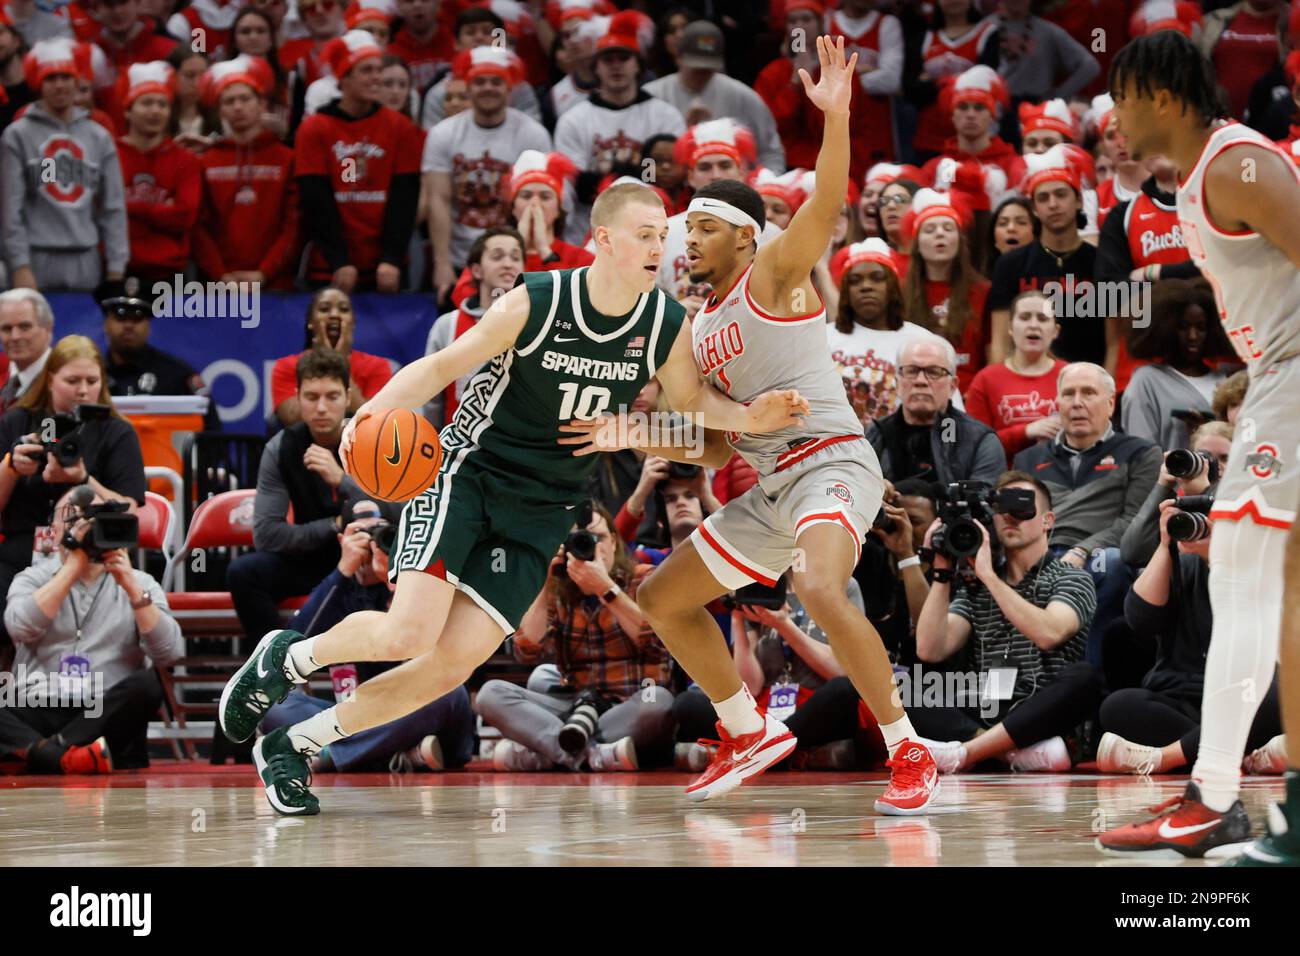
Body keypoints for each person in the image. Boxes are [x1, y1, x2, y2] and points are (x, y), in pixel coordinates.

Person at [219, 179, 805, 816]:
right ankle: (288, 654)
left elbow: (697, 416)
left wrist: (738, 418)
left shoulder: (664, 322)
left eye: (662, 237)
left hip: (544, 508)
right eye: (645, 234)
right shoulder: (540, 300)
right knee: (408, 632)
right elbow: (444, 365)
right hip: (469, 474)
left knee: (448, 669)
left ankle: (295, 743)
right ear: (603, 239)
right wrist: (373, 412)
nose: (658, 248)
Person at [576, 37, 944, 814]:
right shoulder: (694, 328)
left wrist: (836, 120)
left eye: (701, 229)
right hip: (774, 486)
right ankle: (746, 729)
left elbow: (828, 205)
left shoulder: (773, 274)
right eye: (686, 233)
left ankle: (908, 747)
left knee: (818, 583)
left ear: (744, 237)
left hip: (834, 463)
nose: (687, 241)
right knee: (662, 595)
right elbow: (711, 444)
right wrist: (630, 435)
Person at [1099, 31, 1300, 863]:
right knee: (1279, 597)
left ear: (1165, 95)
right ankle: (1274, 816)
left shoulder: (1236, 164)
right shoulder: (1194, 179)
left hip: (1293, 377)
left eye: (1121, 99)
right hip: (1277, 376)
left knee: (1243, 577)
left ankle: (1213, 797)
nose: (1110, 119)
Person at [259, 497, 476, 773]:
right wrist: (342, 570)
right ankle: (394, 756)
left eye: (379, 532)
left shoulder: (416, 580)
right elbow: (291, 644)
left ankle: (335, 754)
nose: (371, 541)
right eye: (360, 534)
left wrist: (393, 580)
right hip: (354, 714)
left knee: (451, 692)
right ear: (342, 540)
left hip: (415, 710)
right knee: (276, 704)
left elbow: (435, 657)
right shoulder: (335, 588)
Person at [913, 471, 1100, 773]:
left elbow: (1050, 633)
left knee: (1085, 678)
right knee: (898, 684)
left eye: (1023, 507)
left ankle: (965, 753)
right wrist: (942, 573)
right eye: (1002, 509)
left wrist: (988, 575)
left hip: (1041, 710)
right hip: (985, 703)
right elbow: (930, 650)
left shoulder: (1070, 576)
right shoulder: (975, 587)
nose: (1011, 517)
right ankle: (1003, 751)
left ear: (1047, 521)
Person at [477, 501, 675, 772]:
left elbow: (660, 642)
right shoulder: (559, 589)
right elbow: (526, 650)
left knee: (659, 700)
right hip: (573, 705)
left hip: (627, 705)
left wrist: (606, 590)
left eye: (598, 538)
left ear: (615, 543)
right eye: (579, 540)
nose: (591, 547)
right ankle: (591, 755)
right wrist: (545, 579)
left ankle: (549, 756)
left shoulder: (643, 578)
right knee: (491, 694)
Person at [1098, 497, 1284, 782]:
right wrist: (1165, 546)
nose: (1198, 528)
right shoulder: (1179, 565)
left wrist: (1219, 557)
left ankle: (1165, 758)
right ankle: (1245, 755)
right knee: (1118, 706)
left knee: (1278, 693)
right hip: (1187, 701)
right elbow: (1139, 620)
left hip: (1246, 698)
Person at [0, 485, 181, 774]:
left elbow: (169, 653)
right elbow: (19, 629)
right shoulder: (31, 578)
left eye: (94, 522)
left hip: (103, 708)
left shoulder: (141, 583)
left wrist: (132, 591)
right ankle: (68, 757)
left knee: (147, 685)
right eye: (74, 521)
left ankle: (47, 752)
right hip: (40, 703)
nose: (86, 531)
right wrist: (72, 569)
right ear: (55, 530)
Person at [0, 335, 146, 654]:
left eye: (92, 381)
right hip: (24, 547)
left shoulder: (117, 431)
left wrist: (83, 479)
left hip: (94, 550)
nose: (83, 390)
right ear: (50, 379)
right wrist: (12, 466)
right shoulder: (18, 421)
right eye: (72, 380)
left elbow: (130, 509)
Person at [1011, 362, 1160, 662]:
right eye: (1068, 394)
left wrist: (1083, 549)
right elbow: (1018, 519)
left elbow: (1135, 523)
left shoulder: (1141, 453)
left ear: (1110, 402)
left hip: (1097, 556)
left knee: (1113, 561)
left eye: (1088, 393)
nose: (1077, 402)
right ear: (1058, 403)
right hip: (1040, 553)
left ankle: (1092, 669)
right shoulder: (1027, 459)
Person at [228, 349, 356, 649]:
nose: (322, 407)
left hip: (368, 560)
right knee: (244, 573)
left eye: (332, 396)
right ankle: (276, 671)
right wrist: (335, 525)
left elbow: (397, 512)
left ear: (348, 397)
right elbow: (268, 536)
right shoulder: (281, 448)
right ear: (297, 397)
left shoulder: (372, 439)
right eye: (312, 397)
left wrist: (342, 480)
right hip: (312, 560)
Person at [294, 30, 422, 292]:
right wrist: (339, 260)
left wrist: (392, 258)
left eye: (378, 69)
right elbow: (315, 200)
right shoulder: (314, 128)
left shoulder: (401, 127)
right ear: (344, 77)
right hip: (330, 265)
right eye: (366, 70)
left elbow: (404, 198)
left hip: (387, 268)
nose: (377, 77)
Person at [423, 45, 550, 300]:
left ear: (509, 88)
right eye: (480, 82)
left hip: (515, 259)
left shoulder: (532, 133)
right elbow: (438, 200)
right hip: (461, 258)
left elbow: (542, 201)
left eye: (496, 81)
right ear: (468, 87)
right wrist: (442, 263)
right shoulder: (443, 134)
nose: (488, 88)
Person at [1, 39, 128, 292]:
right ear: (38, 83)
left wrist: (116, 266)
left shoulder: (99, 136)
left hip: (86, 257)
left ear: (76, 80)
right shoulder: (17, 135)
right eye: (50, 78)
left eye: (65, 77)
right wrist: (20, 265)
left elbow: (113, 207)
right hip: (36, 256)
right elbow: (9, 209)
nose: (59, 85)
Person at [553, 15, 685, 245]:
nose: (616, 66)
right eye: (607, 59)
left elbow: (665, 179)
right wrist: (635, 170)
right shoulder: (573, 120)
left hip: (655, 232)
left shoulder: (665, 115)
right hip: (589, 235)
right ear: (596, 66)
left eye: (623, 58)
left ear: (638, 65)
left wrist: (607, 175)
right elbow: (579, 187)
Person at [987, 144, 1108, 369]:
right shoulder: (1010, 264)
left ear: (1079, 200)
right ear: (1033, 207)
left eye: (1061, 195)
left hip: (1089, 382)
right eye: (1043, 198)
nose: (1053, 204)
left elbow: (1114, 343)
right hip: (1027, 387)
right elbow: (1000, 341)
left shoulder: (1102, 262)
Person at [191, 54, 299, 289]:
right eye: (229, 101)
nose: (238, 107)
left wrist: (264, 273)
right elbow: (199, 227)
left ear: (262, 104)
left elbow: (294, 224)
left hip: (275, 286)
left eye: (245, 99)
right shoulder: (206, 162)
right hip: (218, 286)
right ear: (220, 110)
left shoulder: (287, 158)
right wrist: (220, 275)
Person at [655, 118, 779, 314]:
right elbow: (642, 299)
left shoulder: (771, 233)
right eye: (704, 167)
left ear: (741, 171)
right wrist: (673, 313)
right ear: (690, 176)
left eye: (724, 165)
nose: (715, 175)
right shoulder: (664, 231)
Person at [644, 20, 785, 173]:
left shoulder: (743, 96)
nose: (702, 72)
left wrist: (766, 187)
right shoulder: (652, 95)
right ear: (678, 57)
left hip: (733, 190)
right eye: (696, 66)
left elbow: (771, 153)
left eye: (708, 67)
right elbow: (644, 158)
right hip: (669, 190)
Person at [867, 336, 1004, 487]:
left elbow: (986, 505)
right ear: (897, 383)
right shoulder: (876, 435)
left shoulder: (979, 440)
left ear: (952, 386)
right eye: (911, 371)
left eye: (934, 372)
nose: (921, 381)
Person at [423, 227, 524, 429]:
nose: (508, 264)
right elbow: (431, 396)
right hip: (459, 447)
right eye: (497, 256)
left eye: (515, 257)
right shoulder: (448, 324)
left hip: (517, 446)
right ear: (477, 270)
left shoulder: (537, 324)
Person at [826, 237, 931, 426]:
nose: (866, 286)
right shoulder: (822, 338)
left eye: (877, 277)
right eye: (855, 280)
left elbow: (946, 414)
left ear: (892, 287)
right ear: (845, 292)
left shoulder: (922, 342)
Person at [1121, 279, 1236, 451]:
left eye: (1201, 327)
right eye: (1182, 327)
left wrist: (1209, 431)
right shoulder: (1147, 382)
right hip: (1173, 477)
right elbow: (1141, 453)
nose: (1192, 336)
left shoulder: (1229, 380)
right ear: (1163, 328)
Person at [115, 61, 201, 282]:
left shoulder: (185, 159)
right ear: (128, 110)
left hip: (170, 272)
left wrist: (129, 209)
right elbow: (100, 211)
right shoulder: (110, 154)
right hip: (118, 268)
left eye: (162, 104)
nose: (155, 111)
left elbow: (184, 217)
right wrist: (161, 210)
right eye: (146, 103)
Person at [900, 188, 988, 395]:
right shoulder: (900, 294)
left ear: (959, 241)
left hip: (969, 395)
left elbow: (992, 355)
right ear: (917, 245)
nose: (940, 233)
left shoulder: (983, 291)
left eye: (948, 228)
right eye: (930, 230)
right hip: (915, 395)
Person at [977, 0, 1099, 147]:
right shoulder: (984, 29)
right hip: (994, 111)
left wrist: (1059, 94)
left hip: (1036, 108)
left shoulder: (1047, 31)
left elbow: (1090, 66)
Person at [965, 289, 1067, 462]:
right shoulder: (986, 379)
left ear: (1055, 330)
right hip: (1003, 478)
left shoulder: (1071, 376)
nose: (1033, 325)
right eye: (1025, 317)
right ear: (1010, 328)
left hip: (1061, 476)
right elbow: (972, 446)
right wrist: (1026, 432)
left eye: (1042, 319)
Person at [270, 289, 393, 427]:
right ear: (311, 321)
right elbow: (291, 419)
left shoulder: (378, 366)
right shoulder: (286, 366)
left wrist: (337, 360)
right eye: (324, 309)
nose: (334, 315)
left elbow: (374, 421)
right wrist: (324, 358)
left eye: (344, 309)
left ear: (353, 322)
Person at [1120, 424, 1234, 569]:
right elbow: (1132, 554)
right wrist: (1163, 486)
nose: (1215, 466)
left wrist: (1202, 494)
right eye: (1205, 457)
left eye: (1225, 458)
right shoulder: (1176, 503)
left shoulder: (1244, 499)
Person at [97, 278, 212, 417]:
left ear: (148, 326)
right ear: (105, 324)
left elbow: (210, 428)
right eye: (120, 318)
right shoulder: (92, 376)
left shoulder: (177, 375)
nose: (128, 325)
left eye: (137, 318)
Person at [418, 6, 541, 130]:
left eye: (487, 32)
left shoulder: (519, 88)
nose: (479, 37)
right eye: (470, 32)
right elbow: (432, 139)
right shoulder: (439, 93)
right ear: (456, 43)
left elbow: (533, 133)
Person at [909, 0, 996, 166]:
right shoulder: (925, 37)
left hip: (973, 140)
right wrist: (963, 80)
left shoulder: (987, 33)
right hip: (929, 139)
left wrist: (935, 82)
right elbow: (912, 90)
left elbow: (988, 84)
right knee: (937, 185)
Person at [0, 289, 54, 413]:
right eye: (6, 328)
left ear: (48, 328)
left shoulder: (65, 379)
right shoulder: (5, 377)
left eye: (24, 327)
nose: (15, 337)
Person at [385, 0, 453, 91]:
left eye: (425, 0)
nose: (417, 5)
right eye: (409, 1)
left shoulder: (456, 44)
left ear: (438, 3)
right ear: (399, 6)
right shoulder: (390, 52)